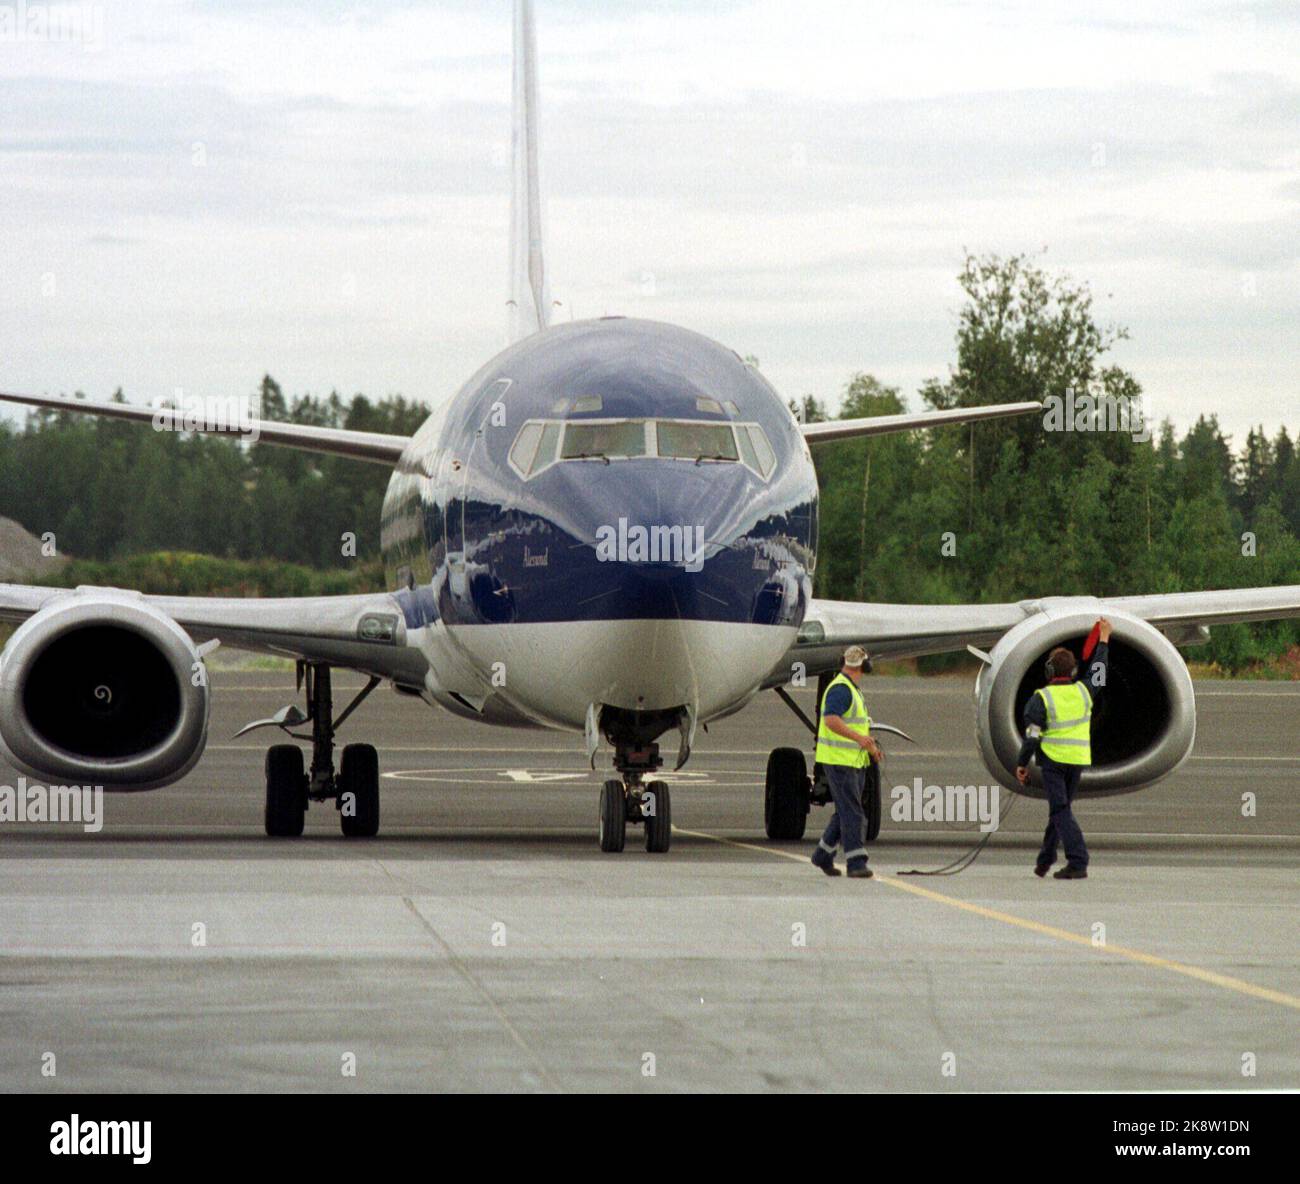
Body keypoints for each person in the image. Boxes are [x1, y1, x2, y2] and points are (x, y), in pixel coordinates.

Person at [1015, 617, 1111, 880]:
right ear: (1072, 672)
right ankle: (1045, 860)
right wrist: (1103, 641)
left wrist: (1022, 764)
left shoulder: (1041, 699)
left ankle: (1078, 861)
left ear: (1048, 672)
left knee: (1060, 810)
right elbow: (1099, 673)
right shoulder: (1084, 692)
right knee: (1060, 809)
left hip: (1053, 762)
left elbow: (1032, 736)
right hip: (1078, 760)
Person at [811, 645, 882, 879]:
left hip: (851, 760)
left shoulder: (850, 689)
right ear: (864, 666)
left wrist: (869, 746)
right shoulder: (841, 689)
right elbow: (831, 720)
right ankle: (856, 862)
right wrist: (860, 738)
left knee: (845, 811)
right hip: (839, 761)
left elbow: (853, 724)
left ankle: (823, 854)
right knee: (853, 813)